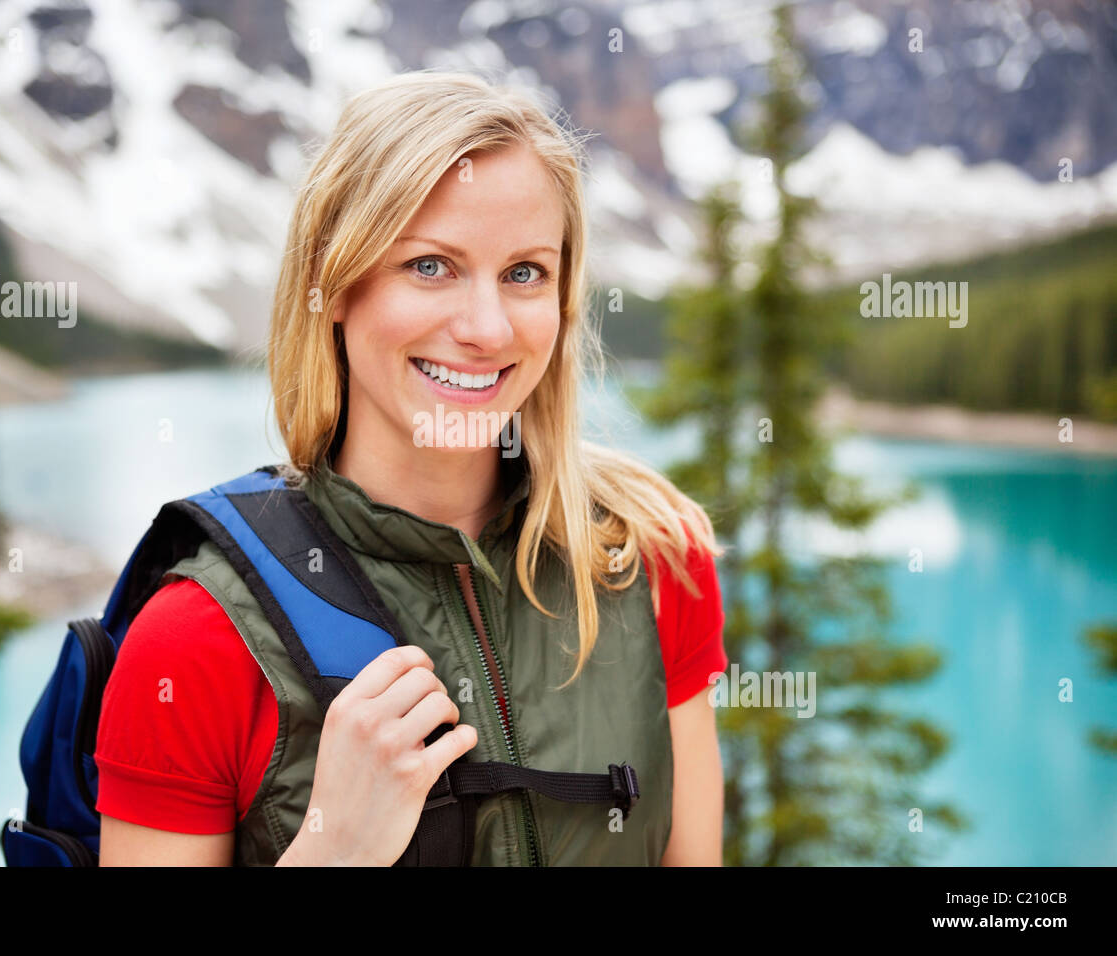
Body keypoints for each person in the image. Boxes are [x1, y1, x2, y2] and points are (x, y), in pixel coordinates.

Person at [95, 69, 727, 866]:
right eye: (430, 266)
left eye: (524, 272)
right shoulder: (193, 643)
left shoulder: (651, 557)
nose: (486, 328)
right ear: (335, 284)